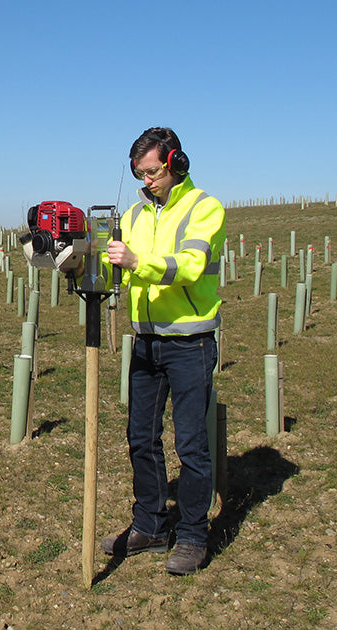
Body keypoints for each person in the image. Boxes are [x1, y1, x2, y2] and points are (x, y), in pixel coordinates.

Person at [99, 127, 225, 575]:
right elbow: (112, 263)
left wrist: (137, 262)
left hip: (189, 341)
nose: (146, 180)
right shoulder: (132, 214)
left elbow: (189, 267)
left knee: (190, 444)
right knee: (141, 438)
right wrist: (74, 257)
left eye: (152, 172)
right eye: (140, 174)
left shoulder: (204, 208)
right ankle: (150, 525)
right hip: (146, 341)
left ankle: (192, 535)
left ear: (176, 162)